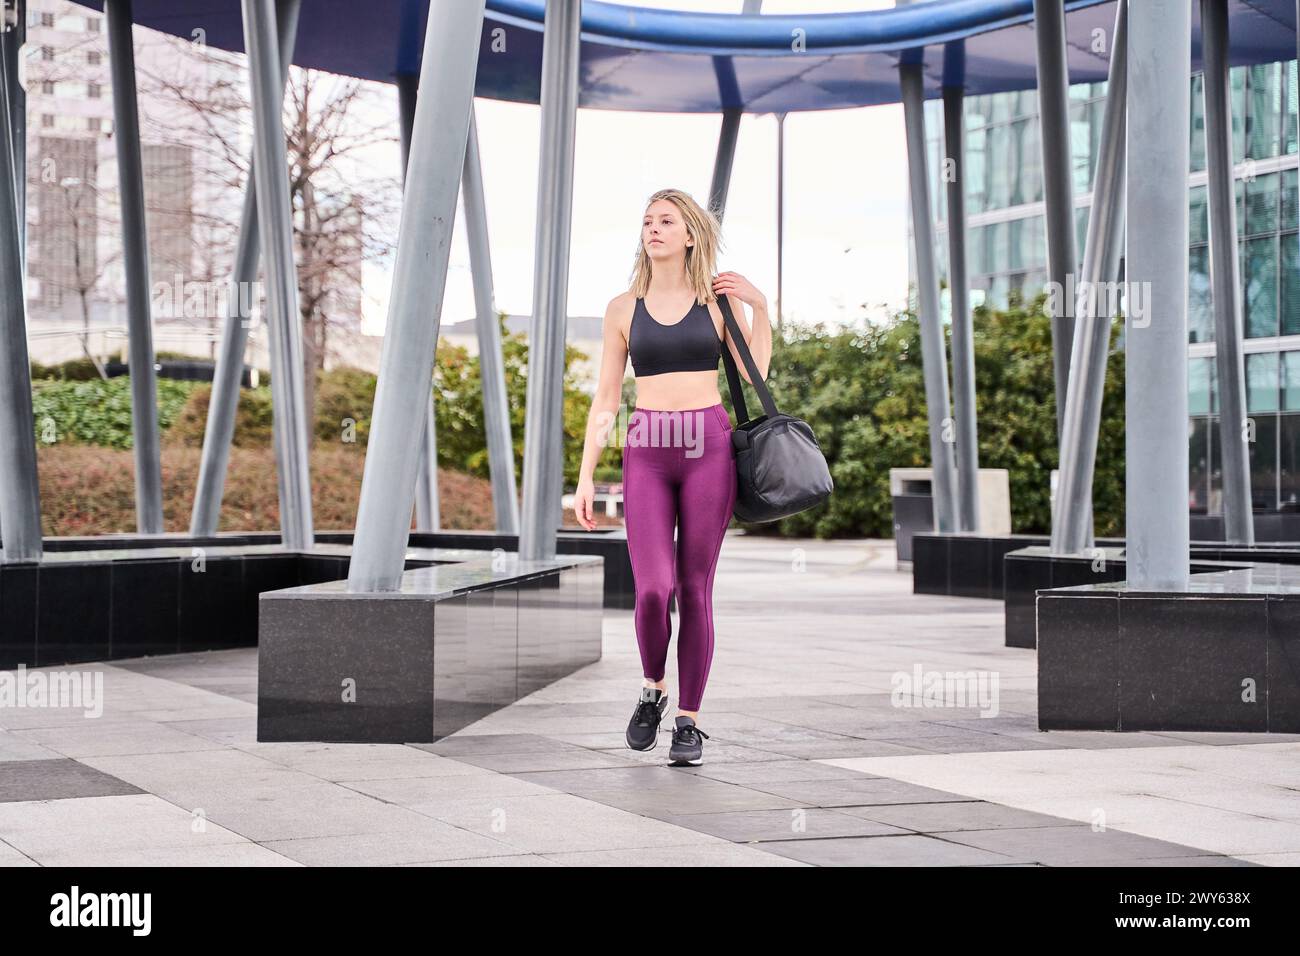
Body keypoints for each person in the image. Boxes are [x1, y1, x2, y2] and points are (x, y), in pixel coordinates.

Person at [572, 187, 773, 766]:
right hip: (648, 449)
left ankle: (689, 719)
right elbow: (607, 398)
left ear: (690, 235)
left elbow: (753, 372)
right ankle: (652, 689)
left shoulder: (716, 302)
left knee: (694, 589)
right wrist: (587, 476)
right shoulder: (621, 308)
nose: (654, 229)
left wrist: (762, 307)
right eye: (648, 221)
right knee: (653, 587)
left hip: (708, 446)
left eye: (667, 221)